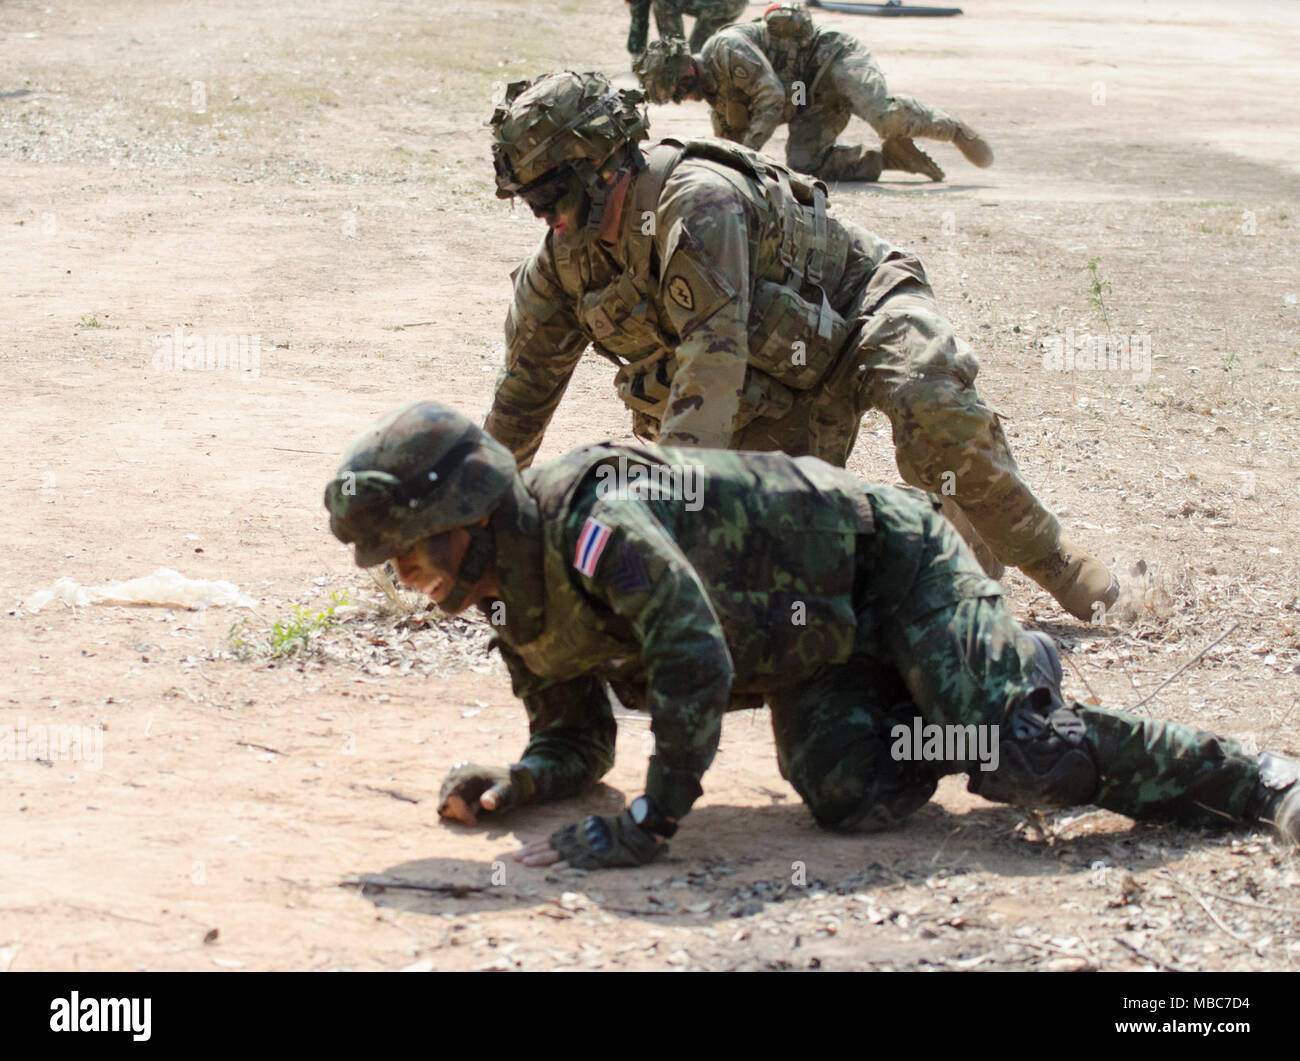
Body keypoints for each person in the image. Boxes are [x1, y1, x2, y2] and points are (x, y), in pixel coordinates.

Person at [322, 401, 1300, 870]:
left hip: (892, 566)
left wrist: (653, 823)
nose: (405, 575)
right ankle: (986, 674)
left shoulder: (595, 522)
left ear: (466, 514)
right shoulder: (508, 596)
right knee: (856, 798)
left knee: (1017, 753)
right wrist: (523, 779)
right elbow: (577, 734)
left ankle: (1255, 778)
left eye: (408, 551)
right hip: (823, 645)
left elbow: (692, 656)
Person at [487, 69, 1116, 620]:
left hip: (859, 312)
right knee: (765, 572)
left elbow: (710, 371)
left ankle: (1053, 559)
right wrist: (475, 523)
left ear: (602, 163)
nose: (544, 216)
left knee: (928, 400)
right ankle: (939, 529)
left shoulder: (698, 203)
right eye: (529, 200)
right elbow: (522, 398)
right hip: (777, 393)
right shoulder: (561, 266)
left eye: (552, 194)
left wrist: (665, 522)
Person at [633, 3, 993, 182]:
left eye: (680, 93)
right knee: (807, 164)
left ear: (686, 74)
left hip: (830, 57)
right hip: (811, 99)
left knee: (884, 116)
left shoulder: (726, 48)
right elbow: (729, 149)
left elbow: (771, 97)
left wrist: (747, 153)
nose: (684, 100)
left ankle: (955, 129)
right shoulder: (717, 101)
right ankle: (891, 158)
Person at [627, 0, 749, 56]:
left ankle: (675, 56)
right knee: (696, 55)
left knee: (664, 2)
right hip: (734, 5)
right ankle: (687, 62)